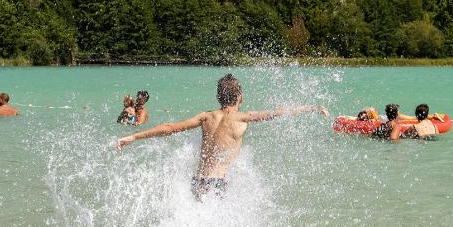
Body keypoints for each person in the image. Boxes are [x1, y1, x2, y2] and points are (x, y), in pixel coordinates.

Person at [118, 74, 328, 199]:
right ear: (240, 97)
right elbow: (279, 112)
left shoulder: (206, 116)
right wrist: (312, 108)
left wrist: (133, 137)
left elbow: (169, 127)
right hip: (217, 184)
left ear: (218, 97)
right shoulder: (243, 117)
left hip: (197, 182)